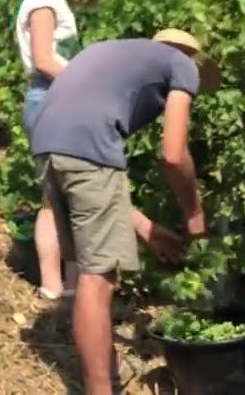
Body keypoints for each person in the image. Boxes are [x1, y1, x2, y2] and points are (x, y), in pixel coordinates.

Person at [28, 29, 220, 395]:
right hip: (84, 148)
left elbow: (91, 176)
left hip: (46, 143)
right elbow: (173, 154)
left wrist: (147, 228)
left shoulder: (113, 56)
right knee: (98, 279)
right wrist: (195, 215)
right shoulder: (182, 65)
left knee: (89, 272)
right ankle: (102, 390)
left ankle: (100, 375)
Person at [14, 0, 120, 300]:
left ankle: (63, 287)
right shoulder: (44, 1)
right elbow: (44, 59)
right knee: (64, 198)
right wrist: (89, 82)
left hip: (54, 100)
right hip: (50, 101)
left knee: (56, 198)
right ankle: (62, 287)